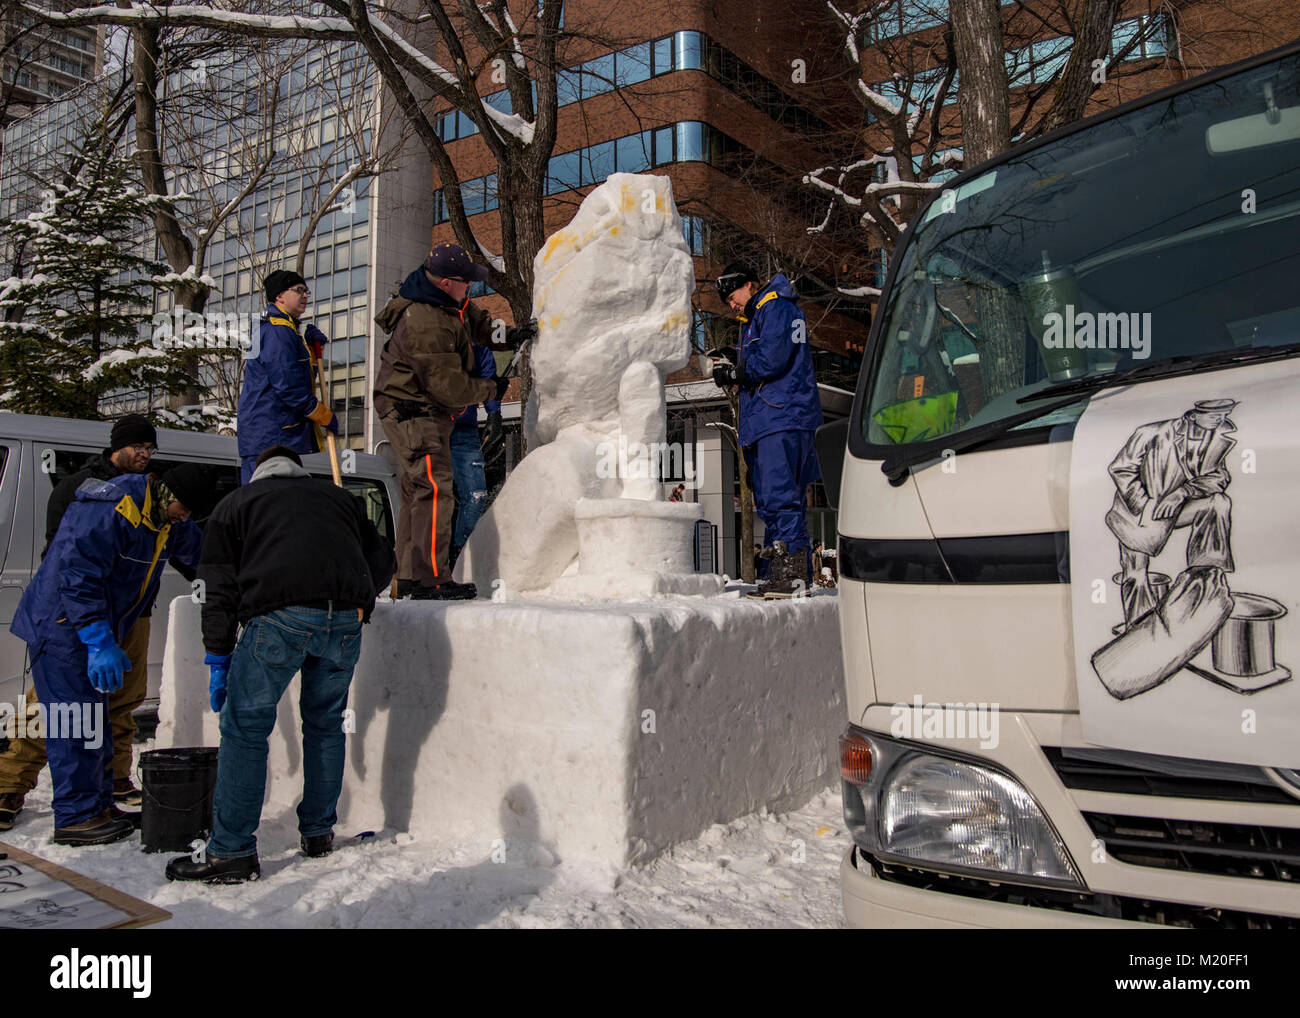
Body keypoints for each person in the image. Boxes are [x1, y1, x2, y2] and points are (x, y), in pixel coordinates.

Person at [166, 445, 395, 884]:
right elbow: (384, 557)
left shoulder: (236, 504)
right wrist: (362, 598)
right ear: (296, 472)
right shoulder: (339, 498)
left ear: (260, 472)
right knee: (325, 724)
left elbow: (218, 585)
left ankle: (231, 851)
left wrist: (218, 655)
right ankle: (318, 832)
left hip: (281, 618)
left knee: (245, 729)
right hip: (344, 621)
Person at [0, 416, 190, 832]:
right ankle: (23, 790)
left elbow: (193, 552)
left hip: (124, 618)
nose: (144, 453)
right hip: (74, 619)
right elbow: (72, 565)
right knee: (65, 712)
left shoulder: (159, 508)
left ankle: (105, 792)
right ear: (117, 446)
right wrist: (94, 633)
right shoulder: (92, 494)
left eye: (150, 448)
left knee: (111, 709)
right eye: (137, 445)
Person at [373, 243, 528, 600]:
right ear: (445, 282)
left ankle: (410, 575)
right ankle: (431, 579)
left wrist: (511, 336)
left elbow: (479, 325)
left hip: (424, 408)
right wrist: (491, 389)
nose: (471, 288)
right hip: (412, 410)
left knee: (418, 490)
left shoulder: (449, 304)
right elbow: (447, 386)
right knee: (434, 488)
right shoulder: (423, 321)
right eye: (466, 282)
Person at [713, 263, 823, 596]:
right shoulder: (765, 313)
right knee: (773, 497)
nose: (732, 306)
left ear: (749, 285)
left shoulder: (774, 307)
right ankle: (788, 573)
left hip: (781, 416)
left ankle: (790, 576)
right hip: (774, 417)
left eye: (732, 297)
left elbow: (774, 359)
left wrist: (735, 374)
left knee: (779, 496)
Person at [1106, 399, 1237, 625]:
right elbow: (1121, 468)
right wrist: (1144, 503)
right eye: (1212, 414)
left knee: (1218, 502)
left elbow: (1219, 477)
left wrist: (1183, 492)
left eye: (1223, 414)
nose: (1219, 419)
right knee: (1136, 574)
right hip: (1136, 513)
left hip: (1177, 507)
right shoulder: (1151, 433)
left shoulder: (1218, 438)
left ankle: (1204, 572)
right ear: (1193, 415)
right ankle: (1136, 629)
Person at [236, 269, 339, 484]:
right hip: (270, 436)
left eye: (306, 291)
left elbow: (293, 373)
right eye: (299, 290)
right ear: (279, 296)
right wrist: (322, 414)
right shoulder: (277, 331)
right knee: (268, 504)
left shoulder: (286, 330)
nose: (305, 296)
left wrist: (310, 351)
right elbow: (288, 385)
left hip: (273, 435)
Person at [449, 342, 504, 569]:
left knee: (476, 494)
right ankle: (423, 568)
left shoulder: (475, 344)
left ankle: (461, 557)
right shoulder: (432, 331)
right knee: (433, 497)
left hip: (464, 429)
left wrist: (494, 414)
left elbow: (487, 372)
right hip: (430, 426)